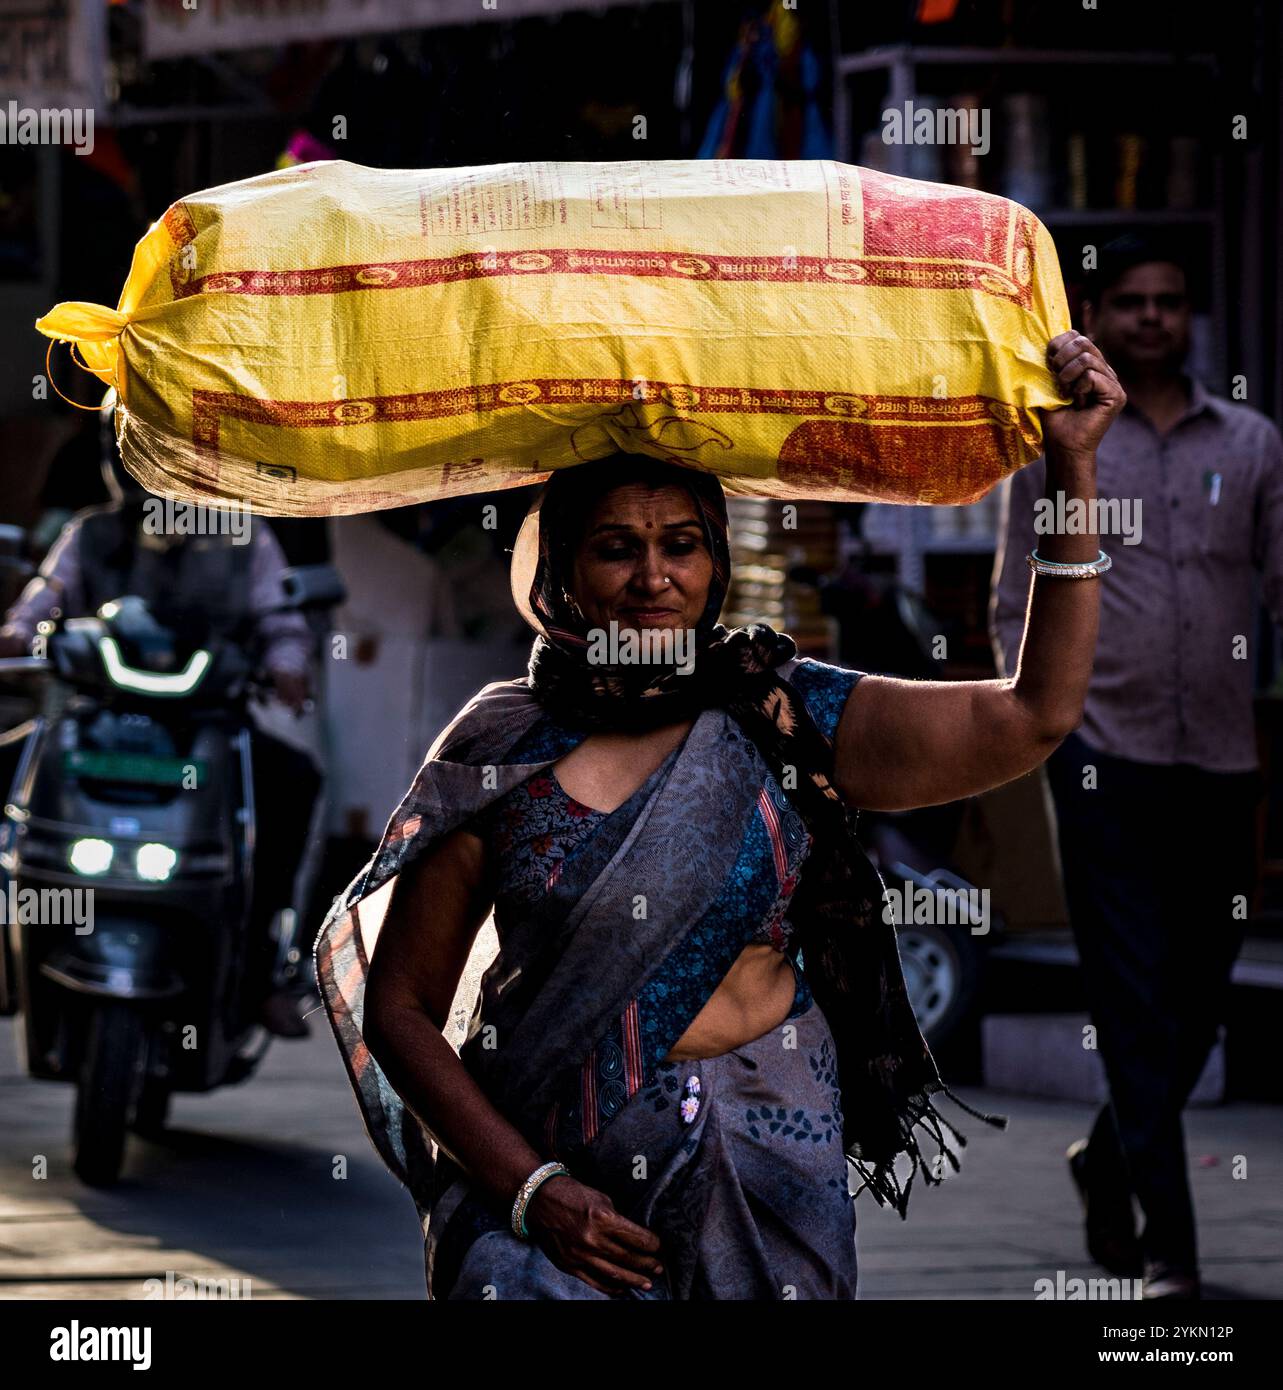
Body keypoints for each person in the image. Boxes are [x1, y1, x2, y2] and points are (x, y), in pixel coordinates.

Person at [315, 329, 1123, 1300]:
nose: (653, 577)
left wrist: (1069, 465)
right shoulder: (500, 747)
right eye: (616, 548)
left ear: (713, 566)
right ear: (562, 572)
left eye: (681, 545)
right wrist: (531, 1189)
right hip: (548, 1209)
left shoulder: (781, 711)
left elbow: (1034, 713)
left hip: (764, 1175)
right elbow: (400, 1008)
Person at [990, 235, 1283, 1300]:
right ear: (1098, 316)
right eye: (1131, 302)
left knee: (1198, 1001)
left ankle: (1108, 1157)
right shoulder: (1058, 445)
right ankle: (1172, 1252)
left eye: (1168, 302)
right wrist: (1040, 731)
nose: (1151, 318)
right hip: (1100, 754)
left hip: (1217, 753)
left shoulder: (1250, 443)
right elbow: (1013, 600)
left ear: (1187, 318)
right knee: (1128, 999)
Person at [0, 436, 322, 1039]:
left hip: (207, 727)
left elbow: (282, 620)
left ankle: (260, 976)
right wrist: (19, 633)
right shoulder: (90, 532)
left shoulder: (243, 537)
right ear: (121, 453)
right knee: (7, 765)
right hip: (95, 717)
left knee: (292, 783)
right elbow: (45, 597)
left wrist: (288, 663)